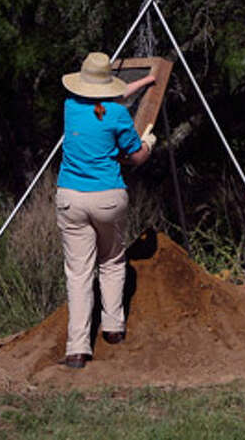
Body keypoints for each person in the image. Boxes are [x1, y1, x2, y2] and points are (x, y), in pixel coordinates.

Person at [56, 51, 157, 369]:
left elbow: (110, 97)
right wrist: (149, 144)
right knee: (112, 261)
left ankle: (77, 348)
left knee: (78, 273)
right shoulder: (116, 116)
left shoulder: (69, 107)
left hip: (70, 197)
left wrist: (144, 81)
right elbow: (136, 157)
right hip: (107, 197)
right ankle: (113, 329)